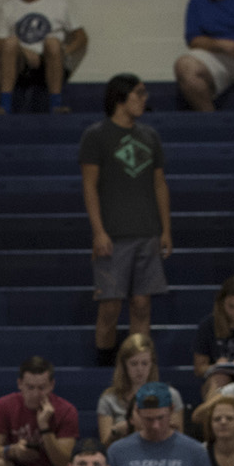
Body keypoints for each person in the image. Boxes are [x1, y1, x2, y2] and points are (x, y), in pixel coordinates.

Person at [80, 74, 171, 365]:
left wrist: (165, 230)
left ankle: (138, 367)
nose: (144, 99)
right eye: (139, 93)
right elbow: (89, 185)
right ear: (120, 97)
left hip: (147, 231)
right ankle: (105, 364)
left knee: (142, 304)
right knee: (109, 305)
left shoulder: (150, 136)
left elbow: (159, 184)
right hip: (114, 234)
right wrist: (98, 231)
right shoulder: (96, 136)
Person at [0, 0, 87, 116]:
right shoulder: (8, 7)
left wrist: (64, 52)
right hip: (22, 66)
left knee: (52, 42)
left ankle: (56, 106)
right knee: (10, 42)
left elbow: (82, 37)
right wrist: (26, 52)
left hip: (52, 61)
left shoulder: (58, 3)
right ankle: (4, 106)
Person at [0, 356, 79, 466]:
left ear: (52, 385)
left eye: (42, 388)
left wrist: (45, 428)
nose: (36, 394)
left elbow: (64, 463)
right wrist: (13, 451)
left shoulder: (66, 410)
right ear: (20, 384)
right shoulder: (4, 405)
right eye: (30, 387)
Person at [97, 333, 158, 445]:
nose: (140, 369)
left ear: (152, 365)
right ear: (124, 366)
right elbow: (105, 447)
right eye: (134, 364)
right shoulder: (108, 399)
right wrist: (115, 432)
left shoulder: (168, 396)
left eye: (144, 363)